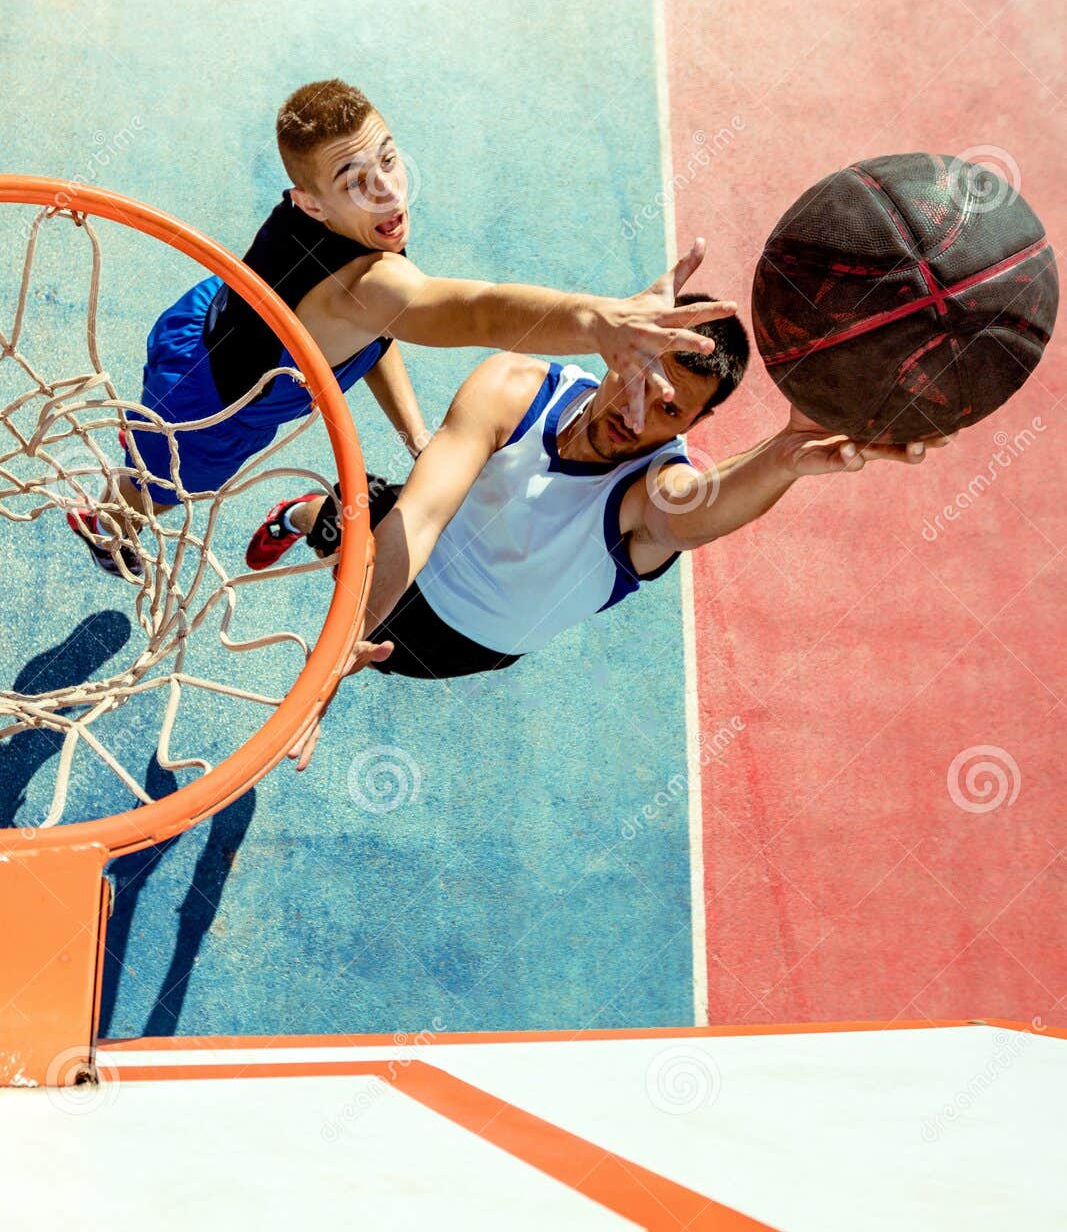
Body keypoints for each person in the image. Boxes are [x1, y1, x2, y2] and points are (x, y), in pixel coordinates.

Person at [265, 248, 953, 768]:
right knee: (358, 518)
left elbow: (688, 514)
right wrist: (331, 659)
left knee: (373, 550)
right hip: (409, 559)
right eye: (639, 374)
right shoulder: (513, 384)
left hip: (462, 644)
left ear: (692, 424)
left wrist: (781, 457)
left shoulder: (650, 489)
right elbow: (418, 517)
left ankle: (321, 518)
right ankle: (302, 515)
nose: (635, 409)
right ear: (622, 349)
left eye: (667, 408)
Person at [67, 77, 733, 573]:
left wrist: (412, 431)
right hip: (205, 409)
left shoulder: (354, 238)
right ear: (310, 204)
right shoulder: (370, 283)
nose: (387, 189)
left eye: (387, 159)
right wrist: (595, 322)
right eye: (354, 179)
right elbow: (478, 309)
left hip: (208, 314)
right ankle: (112, 527)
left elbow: (375, 334)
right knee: (150, 488)